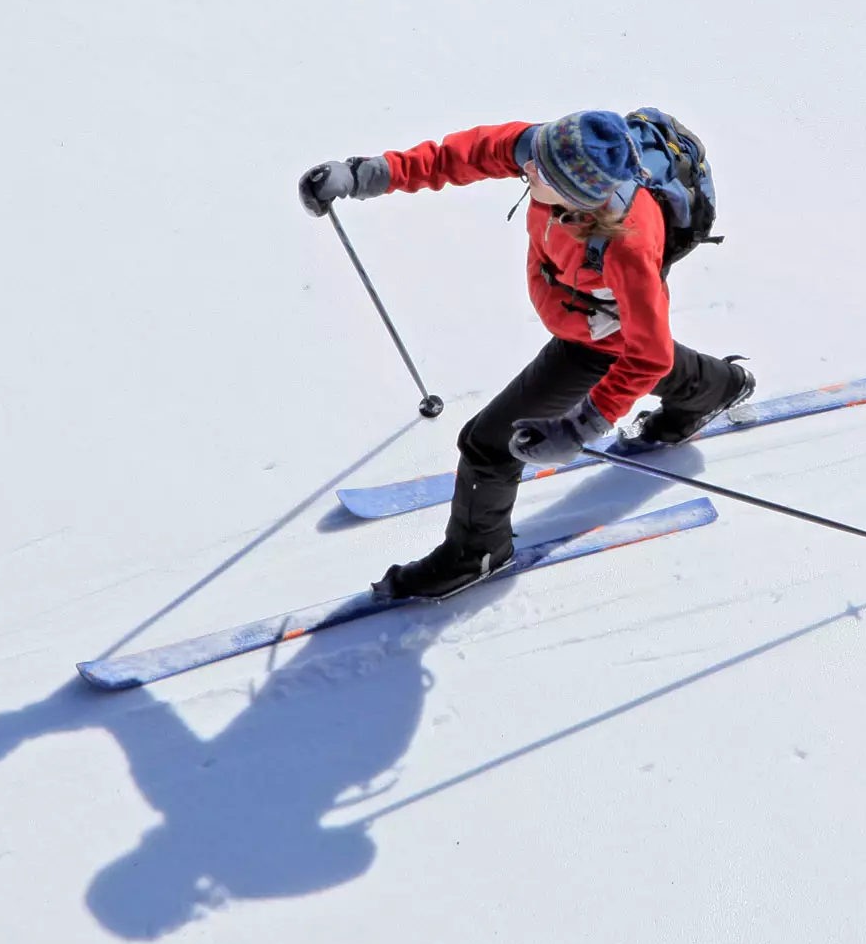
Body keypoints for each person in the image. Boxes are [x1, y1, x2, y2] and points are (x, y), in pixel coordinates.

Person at [298, 111, 754, 599]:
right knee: (621, 351)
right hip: (580, 316)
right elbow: (465, 154)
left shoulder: (628, 246)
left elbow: (649, 356)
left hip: (592, 336)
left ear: (578, 198)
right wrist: (365, 174)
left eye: (538, 169)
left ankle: (475, 555)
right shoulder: (549, 150)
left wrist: (579, 428)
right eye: (531, 159)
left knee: (488, 444)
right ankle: (718, 388)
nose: (525, 166)